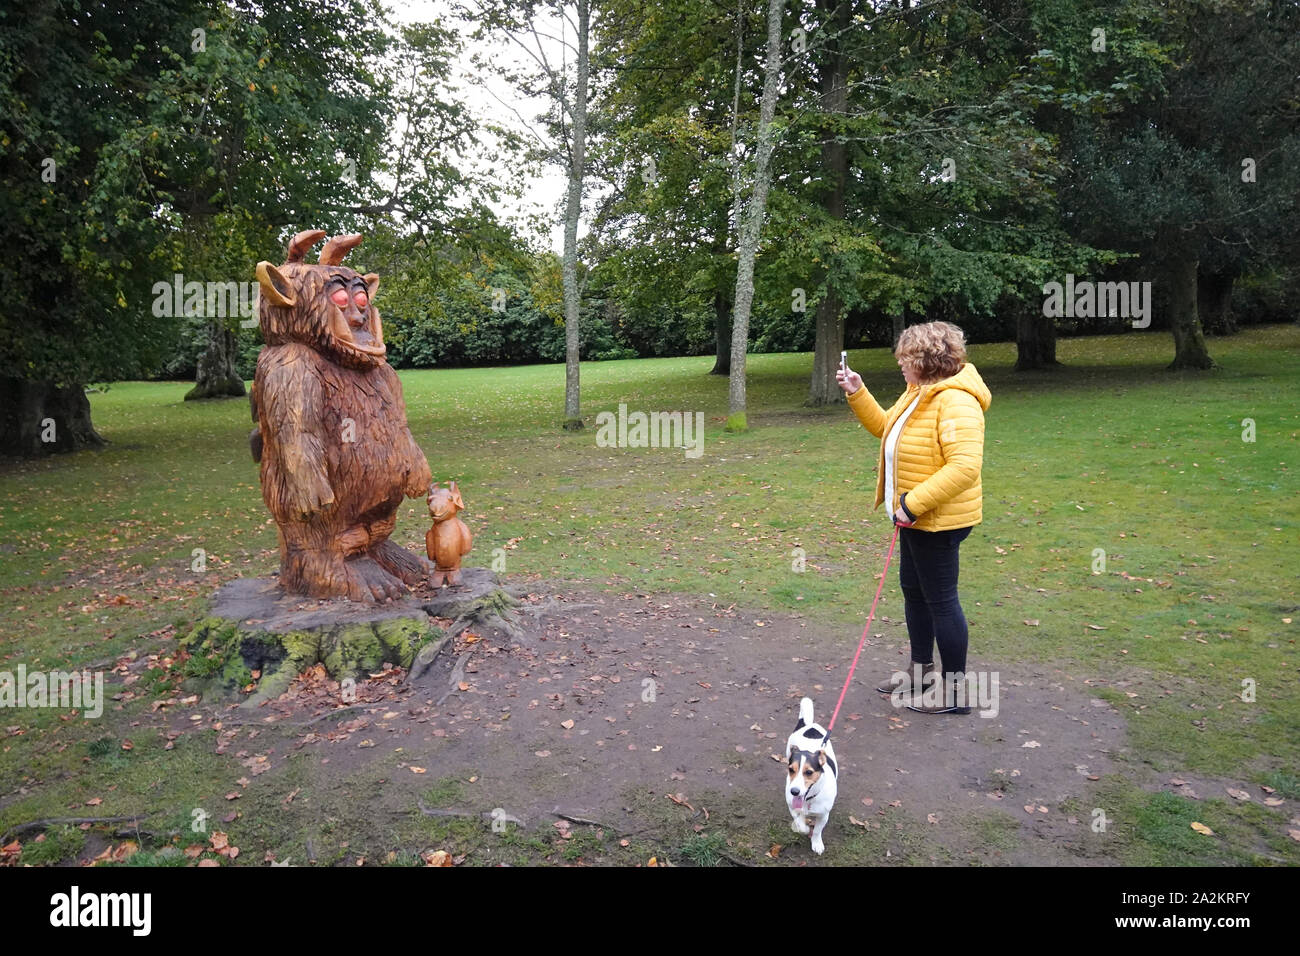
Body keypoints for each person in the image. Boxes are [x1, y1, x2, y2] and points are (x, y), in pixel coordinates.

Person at [835, 321, 991, 715]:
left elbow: (965, 467)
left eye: (906, 359)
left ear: (926, 359)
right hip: (914, 518)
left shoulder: (956, 401)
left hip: (938, 520)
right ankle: (921, 671)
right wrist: (858, 392)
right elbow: (887, 430)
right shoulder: (918, 394)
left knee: (941, 600)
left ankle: (953, 693)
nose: (901, 365)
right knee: (914, 591)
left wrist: (912, 503)